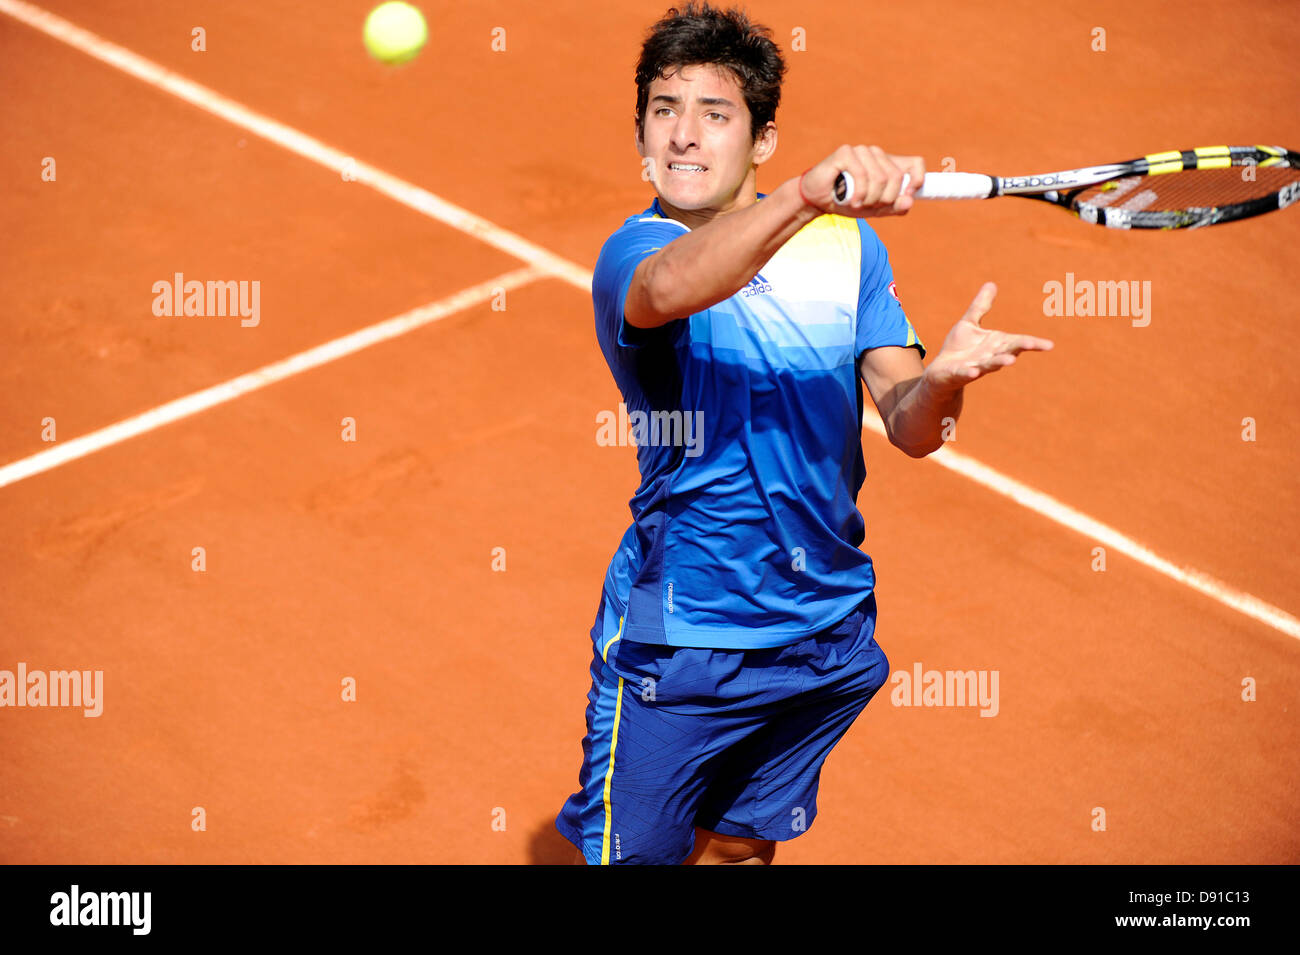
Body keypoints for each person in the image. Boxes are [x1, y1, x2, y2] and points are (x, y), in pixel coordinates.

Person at [555, 2, 1052, 865]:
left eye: (714, 114)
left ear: (763, 138)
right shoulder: (635, 252)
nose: (682, 136)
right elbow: (675, 287)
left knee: (742, 850)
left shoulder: (849, 252)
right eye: (663, 111)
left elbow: (911, 428)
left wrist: (938, 383)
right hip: (686, 638)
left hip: (822, 624)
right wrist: (802, 196)